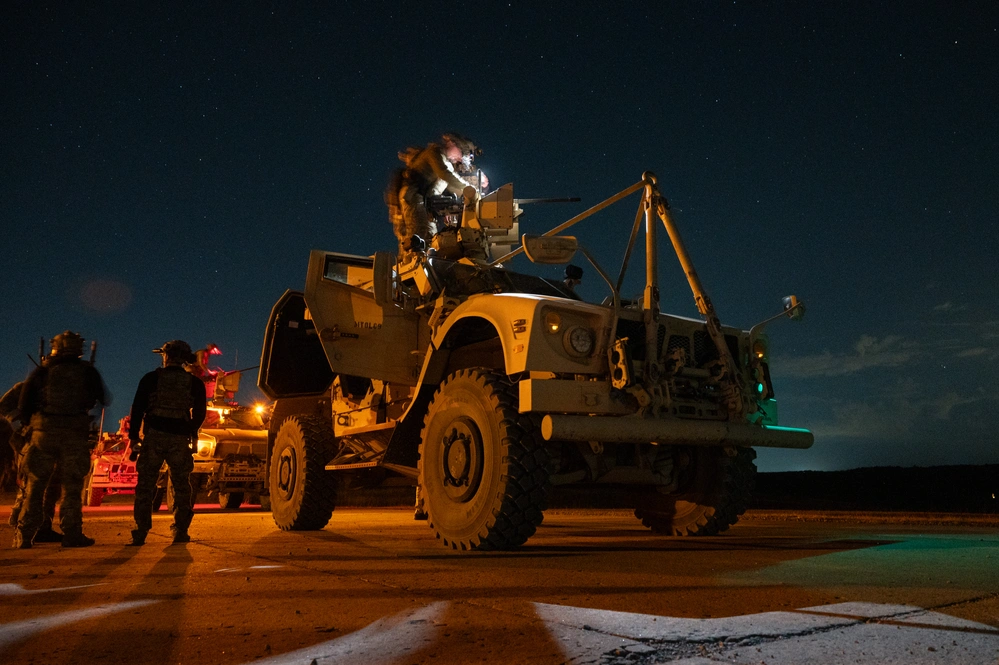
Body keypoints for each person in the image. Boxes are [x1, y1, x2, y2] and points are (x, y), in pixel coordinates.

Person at [13, 332, 108, 548]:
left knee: (36, 486)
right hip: (74, 434)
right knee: (72, 487)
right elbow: (103, 399)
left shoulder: (42, 372)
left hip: (43, 434)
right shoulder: (87, 372)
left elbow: (24, 404)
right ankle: (72, 534)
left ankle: (25, 535)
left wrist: (32, 425)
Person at [128, 340, 206, 546]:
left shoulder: (150, 379)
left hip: (154, 437)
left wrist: (134, 437)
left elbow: (137, 409)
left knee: (145, 485)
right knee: (181, 486)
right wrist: (189, 430)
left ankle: (140, 531)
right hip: (179, 439)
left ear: (165, 356)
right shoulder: (195, 383)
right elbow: (200, 414)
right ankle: (180, 530)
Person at [388, 132, 488, 261]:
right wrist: (471, 190)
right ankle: (411, 264)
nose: (460, 158)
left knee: (431, 237)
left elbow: (449, 185)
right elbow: (446, 175)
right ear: (452, 144)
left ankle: (423, 264)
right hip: (413, 197)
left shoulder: (445, 162)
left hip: (422, 202)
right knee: (419, 233)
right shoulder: (434, 153)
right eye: (461, 152)